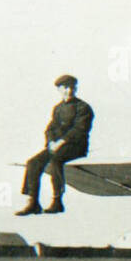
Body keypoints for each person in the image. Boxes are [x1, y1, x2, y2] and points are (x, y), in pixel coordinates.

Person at [16, 75, 93, 215]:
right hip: (56, 146)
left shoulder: (83, 107)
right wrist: (51, 142)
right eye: (66, 87)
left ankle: (57, 201)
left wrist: (61, 142)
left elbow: (80, 130)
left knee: (56, 160)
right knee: (33, 162)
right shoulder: (57, 109)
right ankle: (33, 202)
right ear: (59, 89)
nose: (69, 90)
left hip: (76, 147)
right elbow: (50, 128)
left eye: (72, 87)